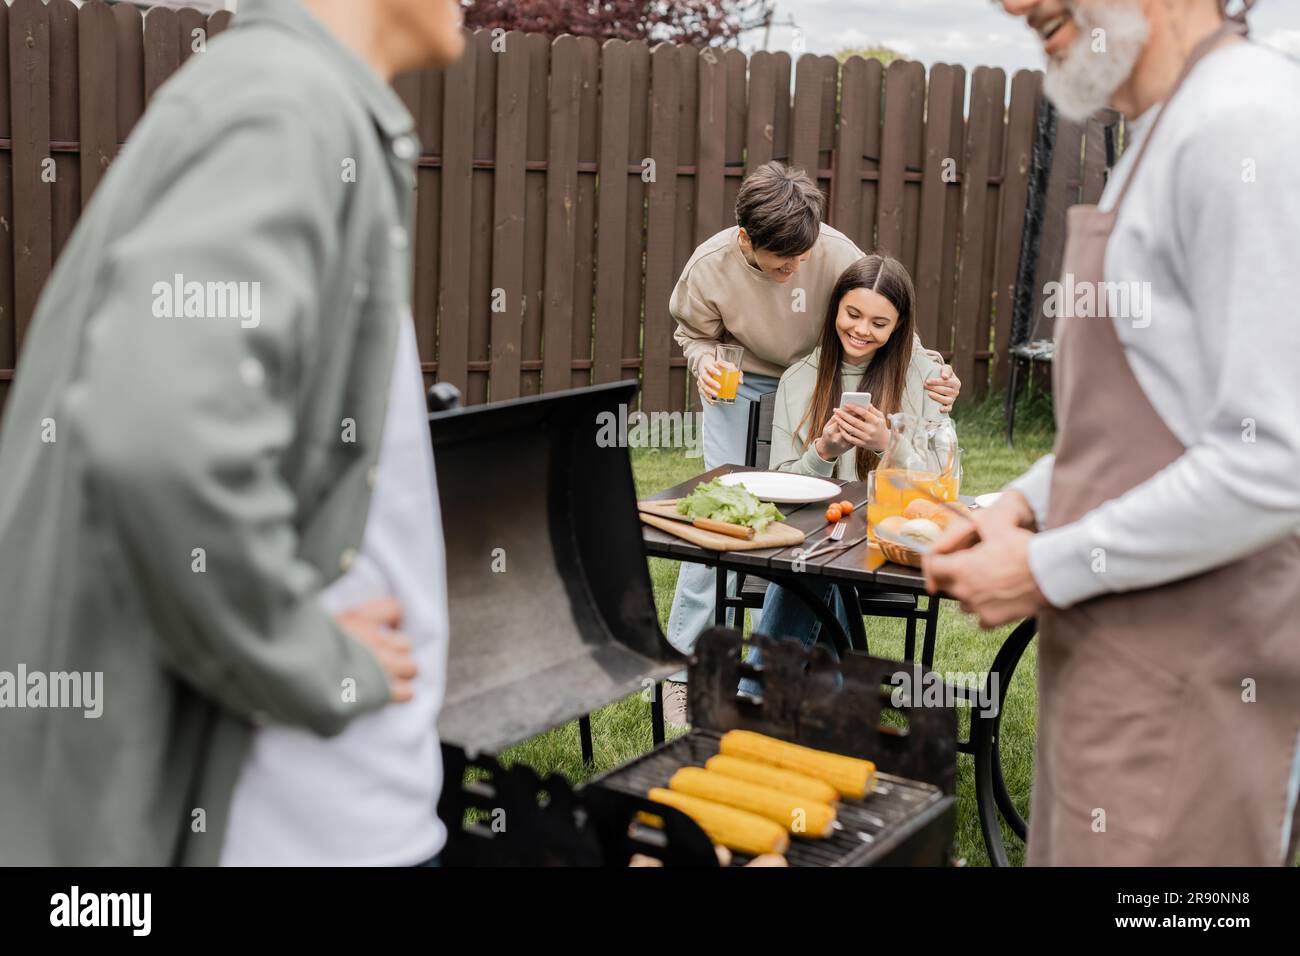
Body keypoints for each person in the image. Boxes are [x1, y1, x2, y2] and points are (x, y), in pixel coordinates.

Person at [0, 0, 466, 865]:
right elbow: (161, 432)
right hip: (290, 821)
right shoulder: (288, 105)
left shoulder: (293, 99)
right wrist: (306, 657)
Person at [925, 0, 1300, 866]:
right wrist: (1020, 502)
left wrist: (1042, 568)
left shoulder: (1247, 122)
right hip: (1116, 666)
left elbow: (1274, 457)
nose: (1013, 4)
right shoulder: (1163, 132)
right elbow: (1160, 415)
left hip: (1194, 683)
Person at [664, 162, 961, 724]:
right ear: (747, 241)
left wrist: (931, 373)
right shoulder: (710, 267)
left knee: (816, 523)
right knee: (721, 518)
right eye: (784, 263)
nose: (798, 268)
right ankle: (686, 672)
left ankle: (789, 684)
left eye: (805, 256)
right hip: (749, 378)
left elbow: (885, 317)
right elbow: (694, 334)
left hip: (831, 368)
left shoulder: (834, 251)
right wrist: (705, 363)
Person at [741, 255, 951, 695]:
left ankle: (753, 696)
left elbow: (941, 486)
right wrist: (823, 451)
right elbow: (777, 487)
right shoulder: (801, 378)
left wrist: (886, 443)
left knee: (807, 565)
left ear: (899, 326)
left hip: (889, 539)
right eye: (852, 314)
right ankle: (840, 699)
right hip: (816, 537)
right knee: (812, 560)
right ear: (835, 307)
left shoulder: (926, 379)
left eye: (879, 322)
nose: (861, 330)